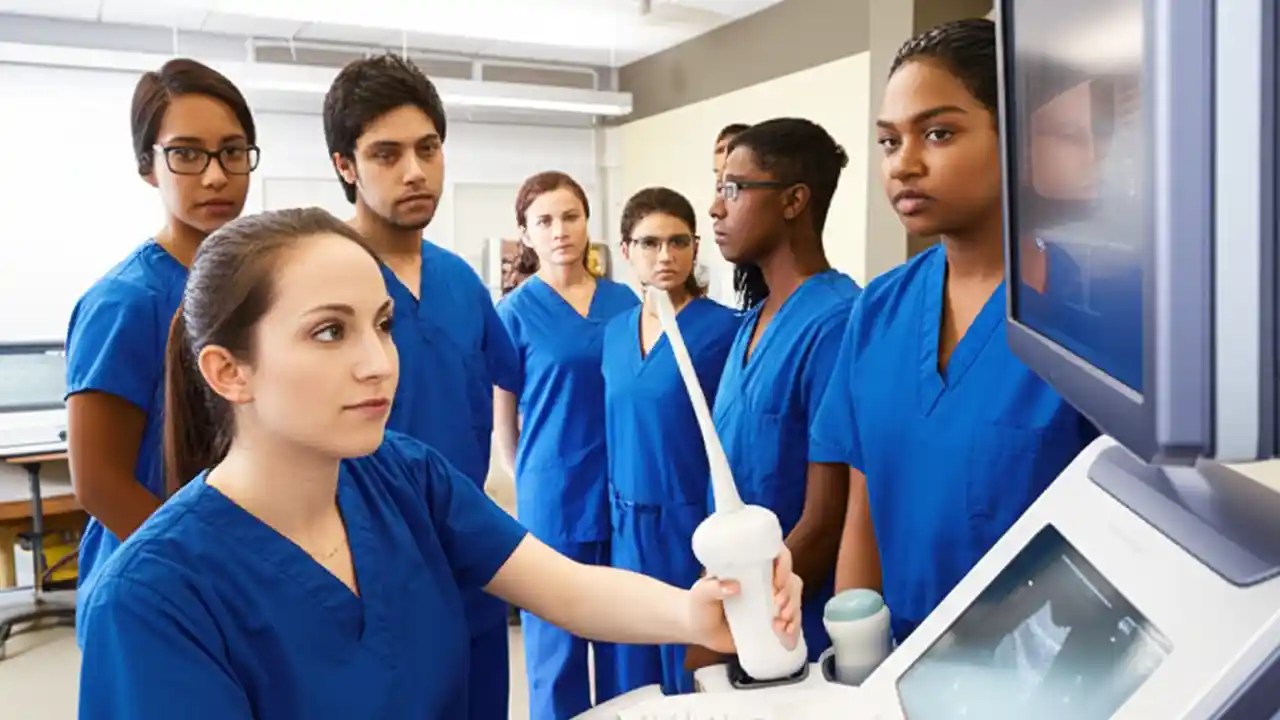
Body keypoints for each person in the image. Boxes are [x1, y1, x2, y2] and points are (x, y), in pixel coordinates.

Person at [75, 208, 803, 720]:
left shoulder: (404, 478)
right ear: (229, 372)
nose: (378, 363)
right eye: (330, 332)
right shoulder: (154, 599)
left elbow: (567, 589)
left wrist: (693, 613)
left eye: (382, 325)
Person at [811, 18, 1098, 645]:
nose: (905, 164)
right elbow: (864, 510)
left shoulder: (1086, 320)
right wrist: (857, 664)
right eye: (889, 142)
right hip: (891, 661)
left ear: (1016, 139)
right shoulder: (878, 311)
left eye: (938, 133)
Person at [321, 53, 520, 720]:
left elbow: (508, 386)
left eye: (427, 148)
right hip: (365, 576)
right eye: (386, 154)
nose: (414, 171)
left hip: (469, 564)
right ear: (345, 165)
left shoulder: (460, 281)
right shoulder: (318, 280)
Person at [64, 59, 258, 592]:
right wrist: (201, 570)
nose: (216, 175)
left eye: (233, 152)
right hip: (158, 577)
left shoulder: (257, 285)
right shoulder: (126, 301)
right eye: (187, 154)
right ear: (148, 166)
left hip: (240, 562)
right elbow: (99, 483)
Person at [697, 117, 858, 667]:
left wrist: (739, 627)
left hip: (786, 630)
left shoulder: (836, 323)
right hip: (734, 607)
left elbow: (825, 519)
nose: (716, 209)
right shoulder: (752, 324)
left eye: (733, 189)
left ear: (793, 201)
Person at [492, 171, 639, 719]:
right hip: (553, 498)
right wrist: (532, 478)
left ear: (587, 223)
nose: (560, 231)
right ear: (526, 234)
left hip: (624, 492)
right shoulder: (514, 314)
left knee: (627, 641)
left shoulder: (626, 302)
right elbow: (503, 422)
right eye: (545, 221)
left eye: (570, 217)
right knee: (557, 655)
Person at [601, 188, 740, 696]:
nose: (665, 256)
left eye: (679, 242)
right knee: (631, 674)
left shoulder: (724, 330)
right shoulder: (616, 333)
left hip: (688, 528)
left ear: (696, 246)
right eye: (650, 243)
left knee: (688, 672)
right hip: (625, 530)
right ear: (626, 250)